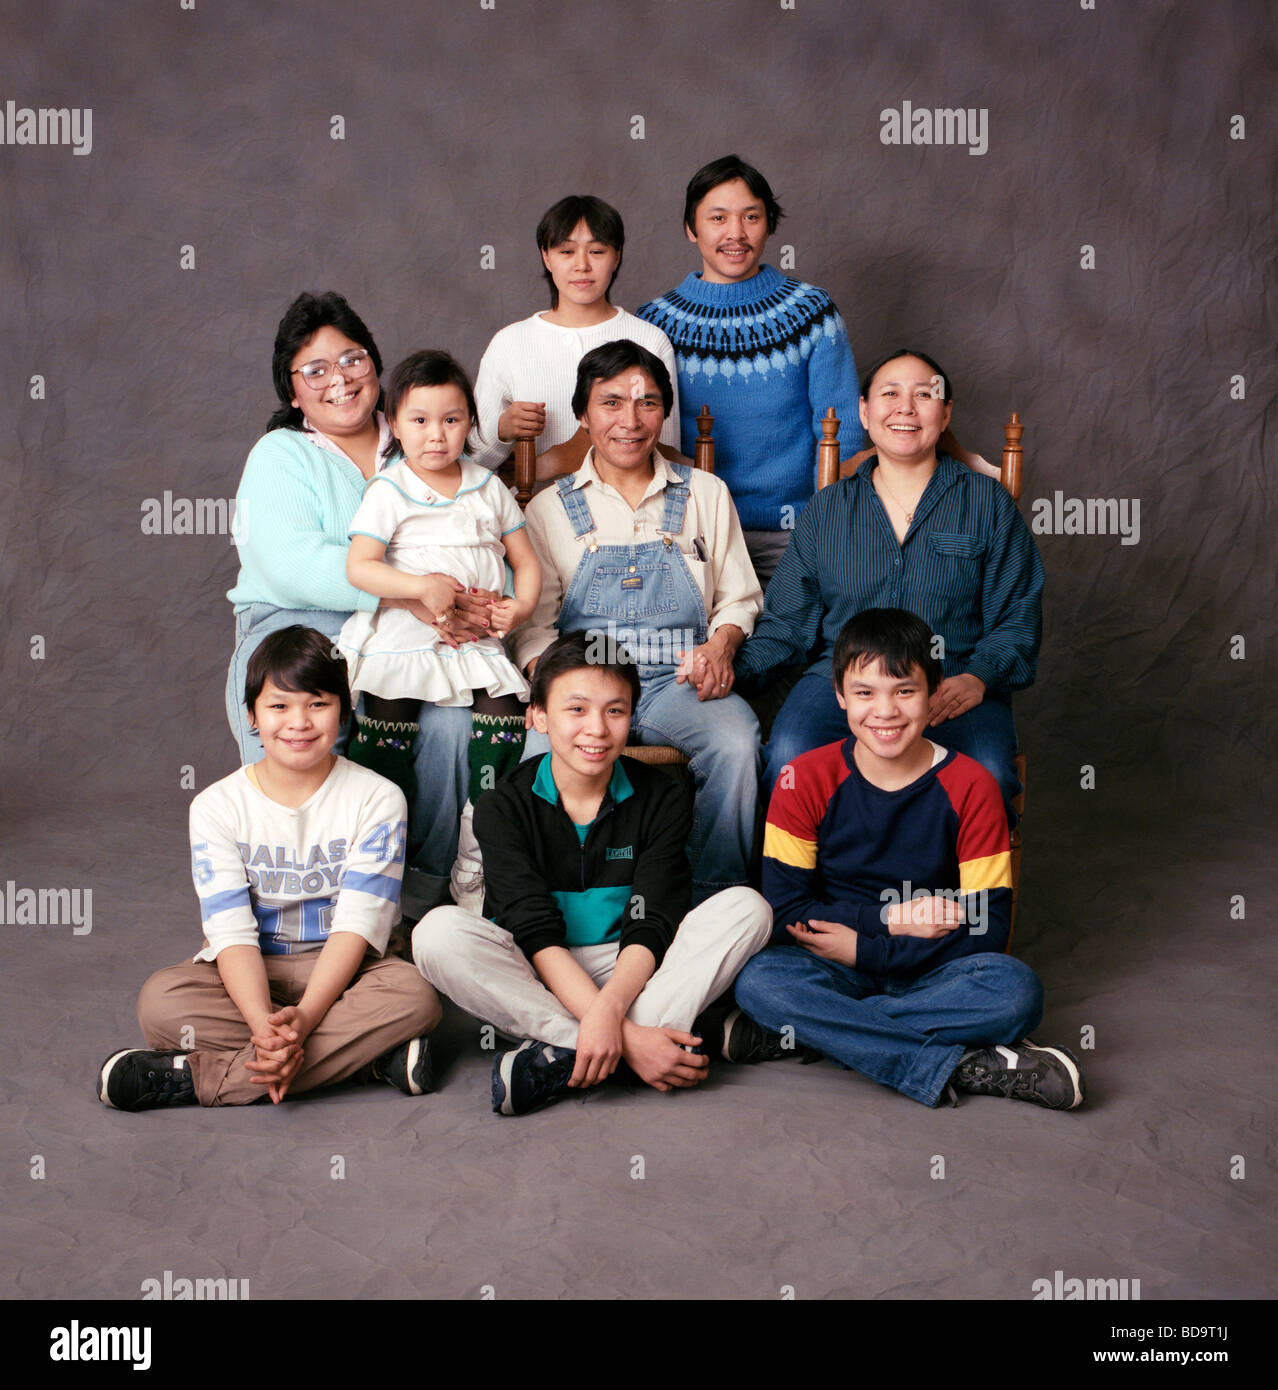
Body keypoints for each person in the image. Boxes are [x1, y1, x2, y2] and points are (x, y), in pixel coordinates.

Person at [726, 608, 1084, 1111]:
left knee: (1015, 992)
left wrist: (871, 951)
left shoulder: (973, 786)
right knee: (760, 981)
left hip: (936, 968)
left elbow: (988, 924)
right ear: (839, 697)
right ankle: (959, 1063)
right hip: (832, 963)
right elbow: (785, 913)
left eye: (904, 691)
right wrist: (889, 920)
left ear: (933, 693)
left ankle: (814, 1034)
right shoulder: (801, 779)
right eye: (865, 693)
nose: (885, 711)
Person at [412, 632, 772, 1116]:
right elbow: (534, 932)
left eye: (615, 711)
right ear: (537, 716)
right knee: (436, 934)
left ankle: (560, 1055)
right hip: (537, 970)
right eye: (576, 710)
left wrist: (608, 1008)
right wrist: (621, 1031)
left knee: (748, 908)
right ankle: (640, 1048)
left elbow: (653, 922)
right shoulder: (502, 804)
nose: (597, 730)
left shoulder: (661, 796)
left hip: (630, 965)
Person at [225, 292, 492, 915]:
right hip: (302, 626)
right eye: (313, 370)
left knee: (455, 726)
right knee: (308, 713)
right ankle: (305, 909)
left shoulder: (421, 437)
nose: (338, 379)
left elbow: (481, 539)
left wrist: (457, 598)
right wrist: (417, 590)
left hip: (421, 630)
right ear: (292, 392)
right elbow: (294, 566)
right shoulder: (282, 456)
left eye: (352, 359)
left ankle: (418, 906)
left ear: (375, 363)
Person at [98, 627, 441, 1112]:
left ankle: (198, 1078)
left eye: (317, 704)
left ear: (343, 710)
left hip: (352, 970)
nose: (298, 722)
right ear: (252, 717)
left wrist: (303, 1020)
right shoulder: (216, 805)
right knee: (161, 1003)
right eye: (279, 706)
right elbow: (231, 931)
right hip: (255, 969)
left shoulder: (378, 797)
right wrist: (263, 1022)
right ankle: (366, 1059)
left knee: (416, 996)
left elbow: (357, 926)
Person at [736, 348, 1044, 816]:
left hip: (951, 680)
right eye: (890, 394)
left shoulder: (988, 504)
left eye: (924, 394)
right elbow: (786, 626)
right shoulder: (827, 510)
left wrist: (980, 678)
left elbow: (1017, 617)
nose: (906, 407)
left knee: (988, 774)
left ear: (945, 414)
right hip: (841, 684)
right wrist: (724, 670)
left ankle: (948, 890)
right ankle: (814, 887)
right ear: (865, 410)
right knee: (788, 760)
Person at [512, 340, 764, 903]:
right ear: (583, 414)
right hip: (587, 682)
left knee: (738, 743)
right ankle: (552, 908)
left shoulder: (705, 493)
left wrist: (721, 647)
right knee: (536, 761)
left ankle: (713, 902)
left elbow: (740, 597)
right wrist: (556, 690)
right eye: (611, 403)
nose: (630, 420)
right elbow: (532, 626)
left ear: (664, 414)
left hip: (679, 679)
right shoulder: (548, 508)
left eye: (648, 403)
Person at [637, 154, 865, 586]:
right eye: (717, 218)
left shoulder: (812, 312)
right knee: (694, 652)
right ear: (691, 228)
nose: (735, 234)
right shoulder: (653, 323)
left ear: (769, 225)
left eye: (751, 217)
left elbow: (841, 431)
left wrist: (822, 531)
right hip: (688, 533)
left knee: (795, 648)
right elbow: (641, 434)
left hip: (794, 534)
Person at [337, 349, 539, 818]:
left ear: (470, 422)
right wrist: (420, 587)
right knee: (389, 715)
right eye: (421, 420)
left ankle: (482, 824)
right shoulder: (389, 489)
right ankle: (380, 822)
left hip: (476, 634)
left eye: (451, 420)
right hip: (404, 628)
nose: (436, 435)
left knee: (505, 712)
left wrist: (522, 605)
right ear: (396, 425)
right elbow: (360, 567)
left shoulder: (487, 487)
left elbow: (526, 562)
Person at [471, 195, 680, 469]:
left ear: (616, 256)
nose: (582, 265)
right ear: (546, 257)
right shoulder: (509, 343)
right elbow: (471, 459)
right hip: (532, 507)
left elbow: (667, 449)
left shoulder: (649, 340)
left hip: (630, 507)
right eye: (566, 252)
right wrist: (502, 429)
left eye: (597, 251)